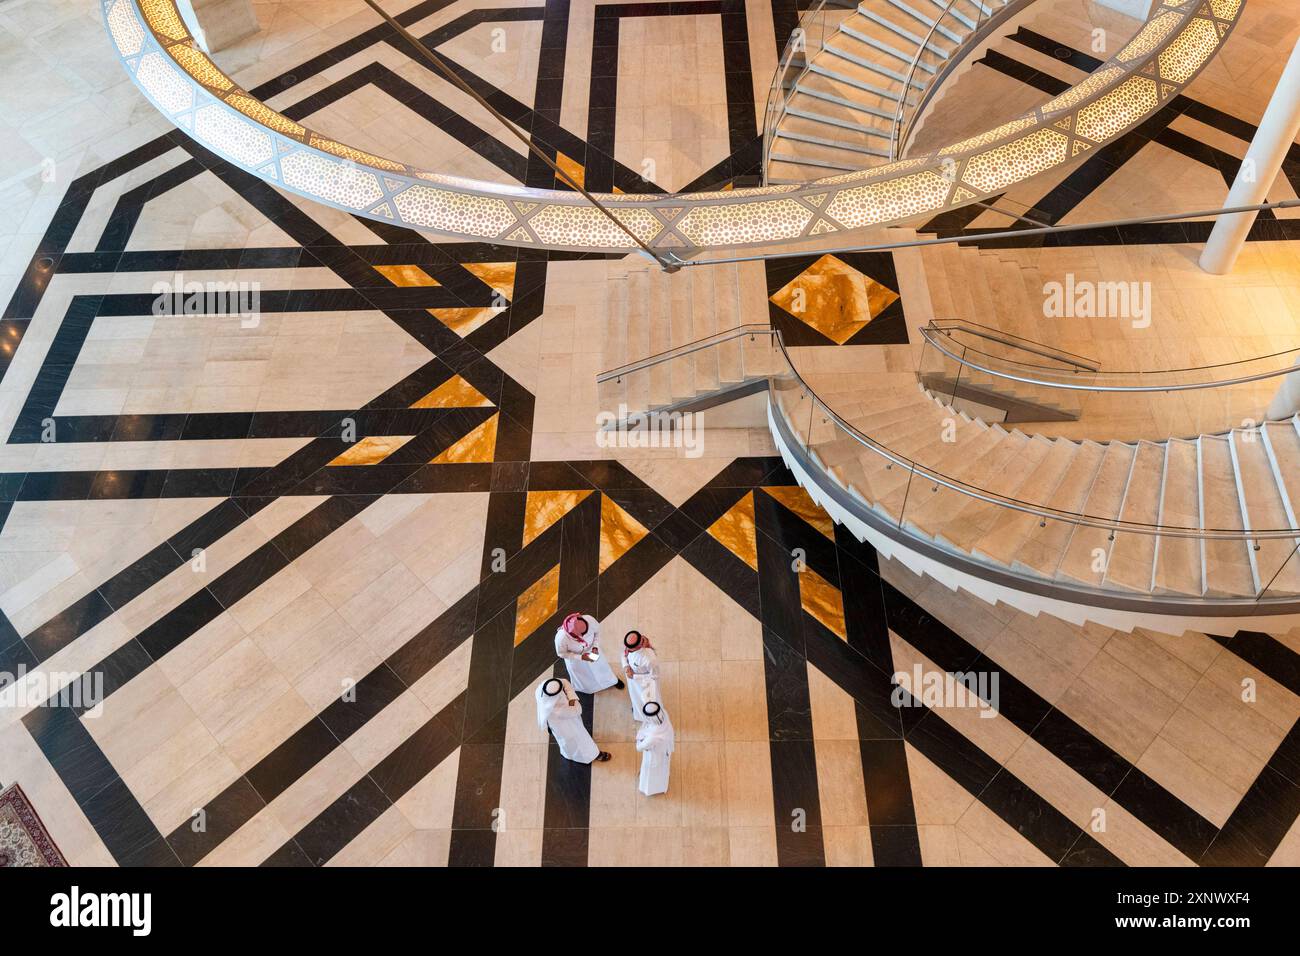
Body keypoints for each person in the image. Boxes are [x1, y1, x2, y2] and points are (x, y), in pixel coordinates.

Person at [535, 677, 611, 764]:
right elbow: (577, 710)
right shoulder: (558, 710)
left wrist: (569, 695)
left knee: (566, 742)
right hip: (567, 727)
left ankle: (568, 754)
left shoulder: (543, 688)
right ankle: (592, 755)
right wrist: (571, 697)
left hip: (558, 724)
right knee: (580, 741)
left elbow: (564, 681)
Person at [555, 612, 623, 694]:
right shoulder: (561, 638)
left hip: (593, 651)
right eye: (581, 635)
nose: (584, 636)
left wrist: (595, 647)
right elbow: (561, 654)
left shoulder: (589, 619)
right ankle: (588, 689)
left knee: (602, 667)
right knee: (584, 676)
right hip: (576, 659)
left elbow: (597, 633)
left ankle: (611, 681)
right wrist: (581, 657)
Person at [635, 700, 674, 795]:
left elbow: (639, 747)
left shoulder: (653, 736)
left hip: (654, 755)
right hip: (664, 750)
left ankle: (653, 789)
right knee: (662, 768)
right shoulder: (664, 714)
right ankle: (662, 784)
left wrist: (639, 738)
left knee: (650, 773)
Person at [622, 630, 660, 722]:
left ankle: (645, 716)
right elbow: (623, 655)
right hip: (632, 679)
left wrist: (634, 676)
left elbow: (655, 676)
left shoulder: (650, 659)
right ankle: (636, 708)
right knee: (635, 696)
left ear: (639, 644)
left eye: (629, 649)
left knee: (645, 699)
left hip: (646, 684)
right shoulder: (630, 646)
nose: (627, 650)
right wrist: (626, 666)